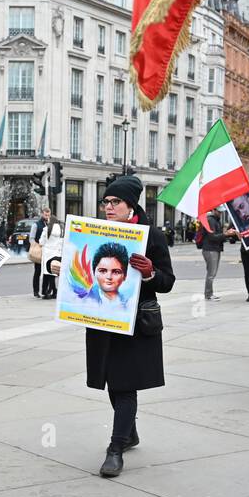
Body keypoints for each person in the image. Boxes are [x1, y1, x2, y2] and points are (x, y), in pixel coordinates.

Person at [87, 176, 175, 478]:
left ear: (130, 206)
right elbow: (85, 269)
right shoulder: (96, 233)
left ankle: (115, 448)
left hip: (136, 323)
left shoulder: (151, 236)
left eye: (115, 202)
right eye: (106, 202)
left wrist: (151, 273)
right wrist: (59, 265)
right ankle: (130, 432)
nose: (108, 207)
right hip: (101, 322)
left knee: (125, 386)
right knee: (112, 382)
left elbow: (168, 282)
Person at [30, 205, 60, 298]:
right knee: (38, 272)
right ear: (42, 214)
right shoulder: (36, 225)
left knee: (47, 273)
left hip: (48, 252)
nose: (47, 216)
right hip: (39, 251)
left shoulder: (52, 225)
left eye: (48, 214)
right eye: (45, 214)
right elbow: (31, 238)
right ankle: (36, 291)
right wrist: (36, 245)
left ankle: (47, 290)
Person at [200, 207, 227, 300]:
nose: (221, 214)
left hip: (213, 248)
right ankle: (208, 294)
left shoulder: (215, 220)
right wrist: (225, 234)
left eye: (221, 212)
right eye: (219, 212)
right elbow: (213, 237)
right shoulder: (211, 220)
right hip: (211, 249)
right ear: (214, 210)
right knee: (211, 273)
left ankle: (209, 293)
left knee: (211, 273)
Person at [39, 212, 65, 299]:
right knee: (53, 273)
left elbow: (41, 242)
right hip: (57, 254)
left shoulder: (47, 229)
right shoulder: (61, 230)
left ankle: (48, 292)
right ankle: (53, 291)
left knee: (47, 273)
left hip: (48, 254)